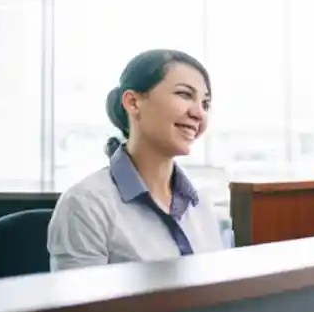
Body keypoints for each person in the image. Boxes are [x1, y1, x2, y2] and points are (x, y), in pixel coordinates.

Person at [47, 49, 225, 270]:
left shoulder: (201, 206)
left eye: (205, 104)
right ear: (133, 102)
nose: (199, 113)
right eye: (184, 94)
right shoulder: (85, 205)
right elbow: (81, 304)